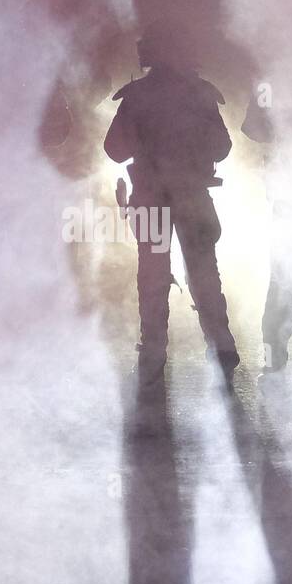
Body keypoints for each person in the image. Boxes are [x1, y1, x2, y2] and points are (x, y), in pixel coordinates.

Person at [104, 21, 240, 387]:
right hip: (192, 196)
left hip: (151, 199)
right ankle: (221, 346)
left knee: (152, 275)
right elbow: (222, 148)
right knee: (203, 273)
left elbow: (114, 150)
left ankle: (154, 352)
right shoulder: (200, 94)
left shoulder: (136, 97)